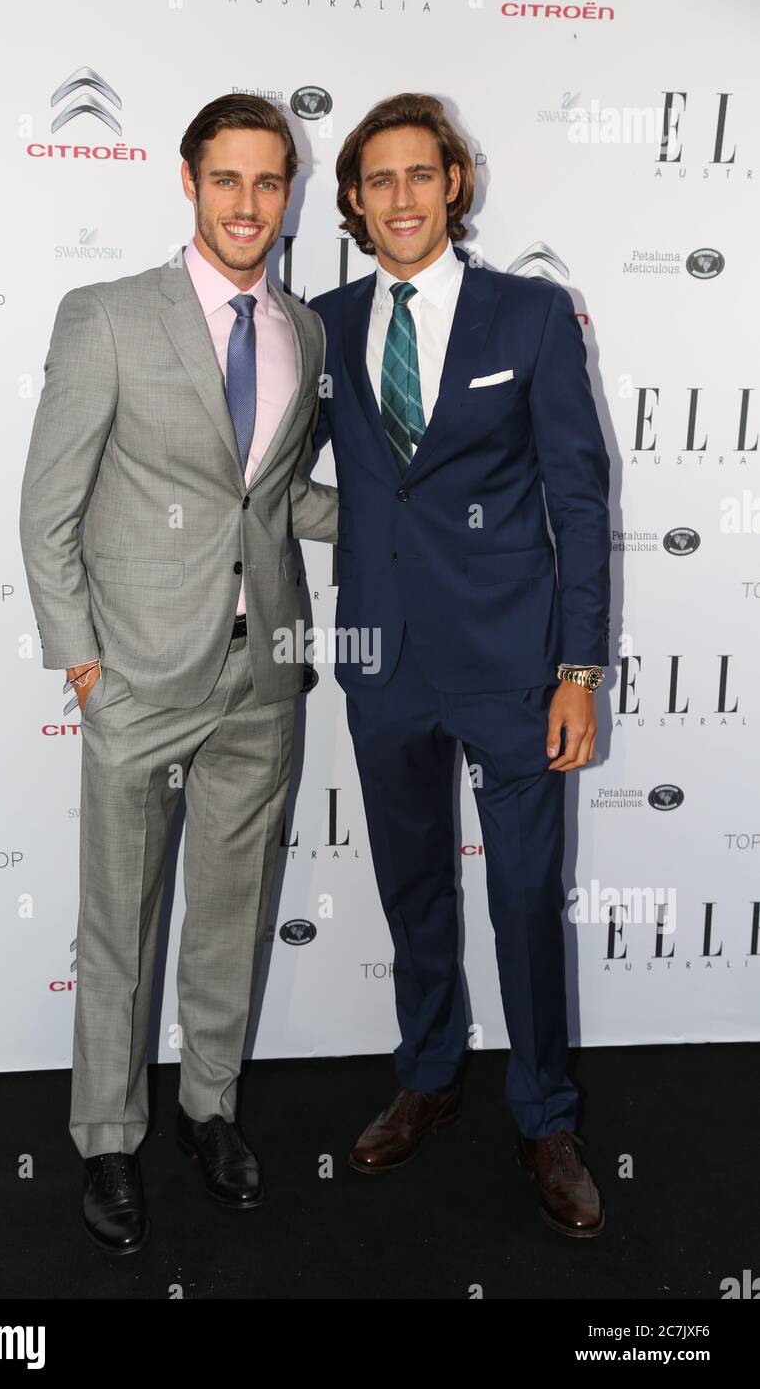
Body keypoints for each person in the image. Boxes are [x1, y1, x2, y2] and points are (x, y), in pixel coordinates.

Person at [20, 93, 338, 1254]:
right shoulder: (105, 315)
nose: (248, 205)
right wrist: (88, 671)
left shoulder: (302, 331)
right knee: (121, 919)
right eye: (227, 181)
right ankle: (108, 1133)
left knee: (233, 912)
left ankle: (210, 1107)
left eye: (268, 183)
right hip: (139, 682)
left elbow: (275, 496)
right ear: (188, 181)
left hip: (265, 674)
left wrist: (402, 526)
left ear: (286, 193)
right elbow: (45, 509)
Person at [309, 93, 610, 1237]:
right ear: (351, 200)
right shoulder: (321, 323)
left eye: (418, 175)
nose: (399, 198)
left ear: (453, 185)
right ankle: (429, 1073)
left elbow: (578, 499)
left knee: (525, 896)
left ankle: (543, 1114)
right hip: (381, 658)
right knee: (412, 884)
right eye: (376, 180)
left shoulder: (528, 316)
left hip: (512, 661)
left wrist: (578, 666)